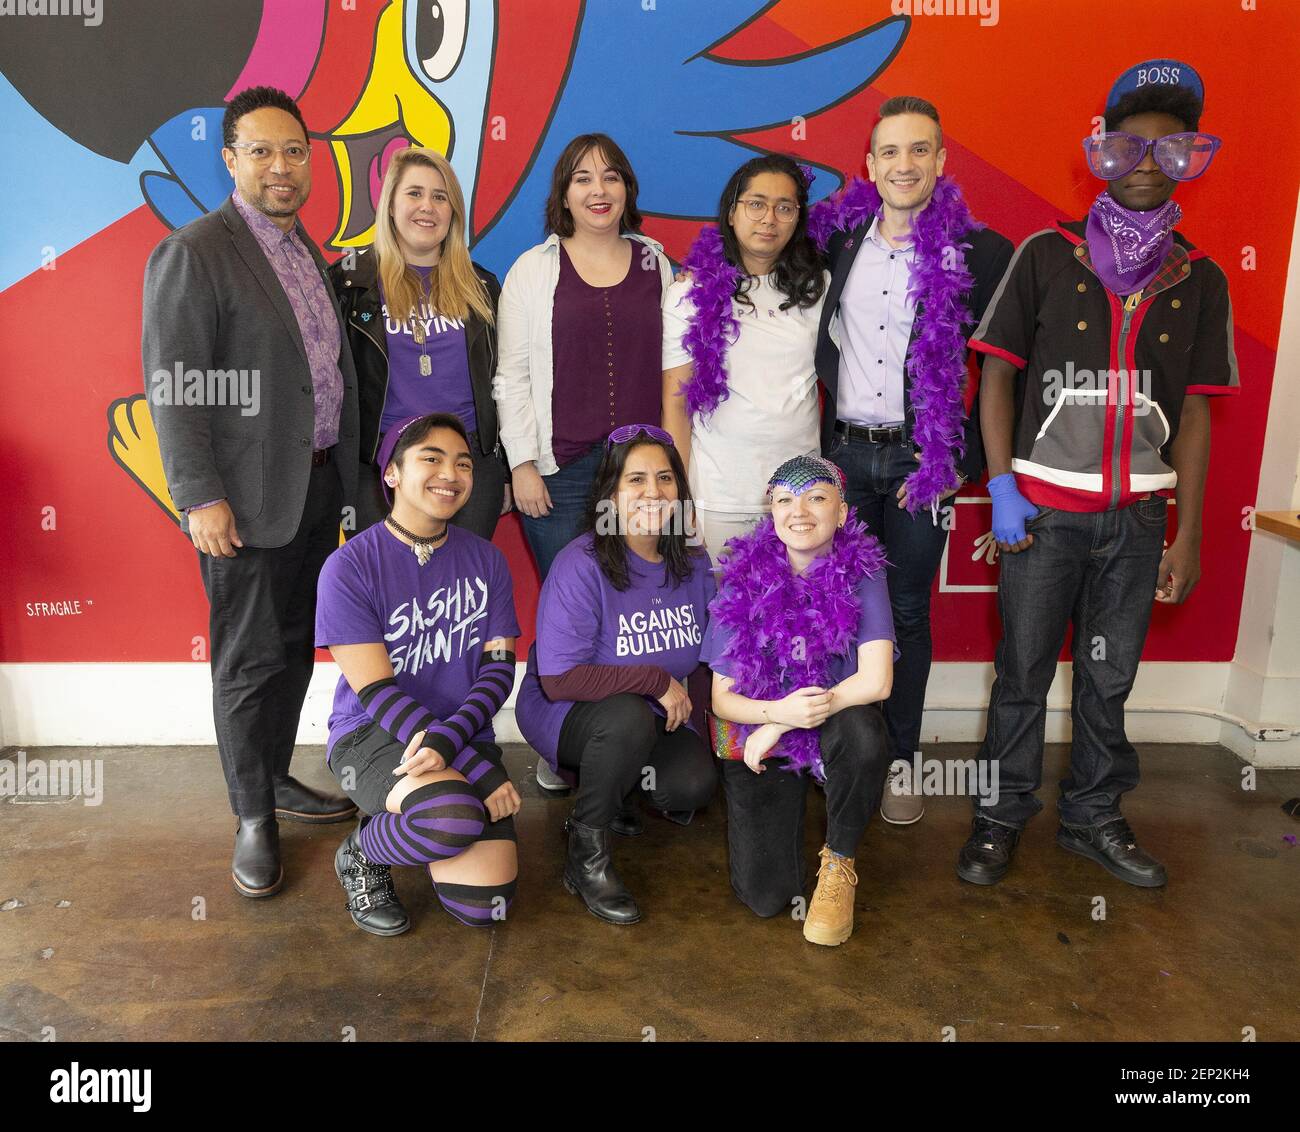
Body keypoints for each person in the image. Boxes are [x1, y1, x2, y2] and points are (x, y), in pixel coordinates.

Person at [960, 59, 1236, 888]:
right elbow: (998, 374)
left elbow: (1192, 412)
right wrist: (1002, 486)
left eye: (1169, 144)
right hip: (1043, 516)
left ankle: (1093, 816)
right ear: (1105, 151)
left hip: (1138, 523)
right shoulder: (1047, 255)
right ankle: (998, 816)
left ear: (1189, 155)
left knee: (1109, 678)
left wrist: (1185, 531)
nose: (1149, 159)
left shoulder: (1201, 276)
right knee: (1022, 673)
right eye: (1132, 143)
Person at [144, 85, 360, 899]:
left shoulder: (307, 250)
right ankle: (251, 818)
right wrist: (200, 496)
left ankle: (274, 777)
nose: (281, 166)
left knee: (294, 645)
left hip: (312, 488)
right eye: (262, 151)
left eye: (294, 151)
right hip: (239, 502)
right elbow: (175, 385)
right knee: (246, 661)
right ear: (230, 159)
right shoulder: (197, 251)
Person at [810, 96, 1013, 825]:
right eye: (890, 152)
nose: (904, 164)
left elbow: (1005, 367)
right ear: (870, 165)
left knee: (904, 612)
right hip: (842, 454)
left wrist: (972, 461)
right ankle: (837, 750)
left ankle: (900, 759)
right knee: (835, 604)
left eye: (919, 150)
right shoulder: (836, 238)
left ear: (940, 161)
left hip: (921, 459)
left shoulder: (983, 253)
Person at [316, 413, 521, 935]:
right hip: (375, 734)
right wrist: (477, 770)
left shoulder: (488, 560)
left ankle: (410, 819)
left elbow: (497, 673)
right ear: (392, 474)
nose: (449, 474)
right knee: (450, 817)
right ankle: (362, 854)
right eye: (431, 458)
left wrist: (460, 747)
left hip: (459, 736)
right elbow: (378, 692)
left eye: (463, 464)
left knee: (484, 904)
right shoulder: (350, 566)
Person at [514, 425, 717, 924]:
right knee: (626, 718)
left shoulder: (692, 562)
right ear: (611, 493)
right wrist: (652, 681)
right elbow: (561, 680)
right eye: (636, 480)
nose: (653, 492)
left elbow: (710, 659)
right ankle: (586, 857)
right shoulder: (580, 564)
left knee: (691, 785)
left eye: (665, 478)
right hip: (567, 709)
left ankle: (617, 785)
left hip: (651, 715)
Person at [702, 455, 895, 947]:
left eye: (816, 497)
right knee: (767, 897)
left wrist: (788, 720)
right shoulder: (743, 575)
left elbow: (876, 682)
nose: (799, 510)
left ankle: (838, 862)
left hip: (829, 719)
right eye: (786, 499)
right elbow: (722, 700)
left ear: (843, 511)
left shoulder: (865, 571)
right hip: (760, 731)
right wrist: (774, 716)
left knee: (863, 733)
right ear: (772, 511)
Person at [493, 133, 675, 580]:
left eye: (611, 178)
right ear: (565, 195)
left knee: (636, 604)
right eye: (583, 179)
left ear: (626, 189)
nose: (599, 190)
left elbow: (677, 373)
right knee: (569, 606)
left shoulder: (656, 265)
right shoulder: (532, 270)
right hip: (561, 477)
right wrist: (522, 465)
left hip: (641, 474)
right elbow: (511, 377)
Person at [330, 147, 510, 538]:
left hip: (468, 466)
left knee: (459, 592)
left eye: (440, 196)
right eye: (414, 193)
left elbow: (507, 381)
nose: (427, 206)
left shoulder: (482, 287)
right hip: (379, 467)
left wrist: (509, 469)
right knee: (386, 593)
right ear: (390, 205)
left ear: (453, 212)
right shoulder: (349, 283)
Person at [661, 153, 829, 562]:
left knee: (799, 619)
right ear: (732, 213)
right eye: (756, 204)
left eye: (784, 207)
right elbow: (675, 403)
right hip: (719, 496)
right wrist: (680, 497)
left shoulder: (820, 287)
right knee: (720, 620)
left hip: (801, 496)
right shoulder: (689, 293)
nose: (769, 218)